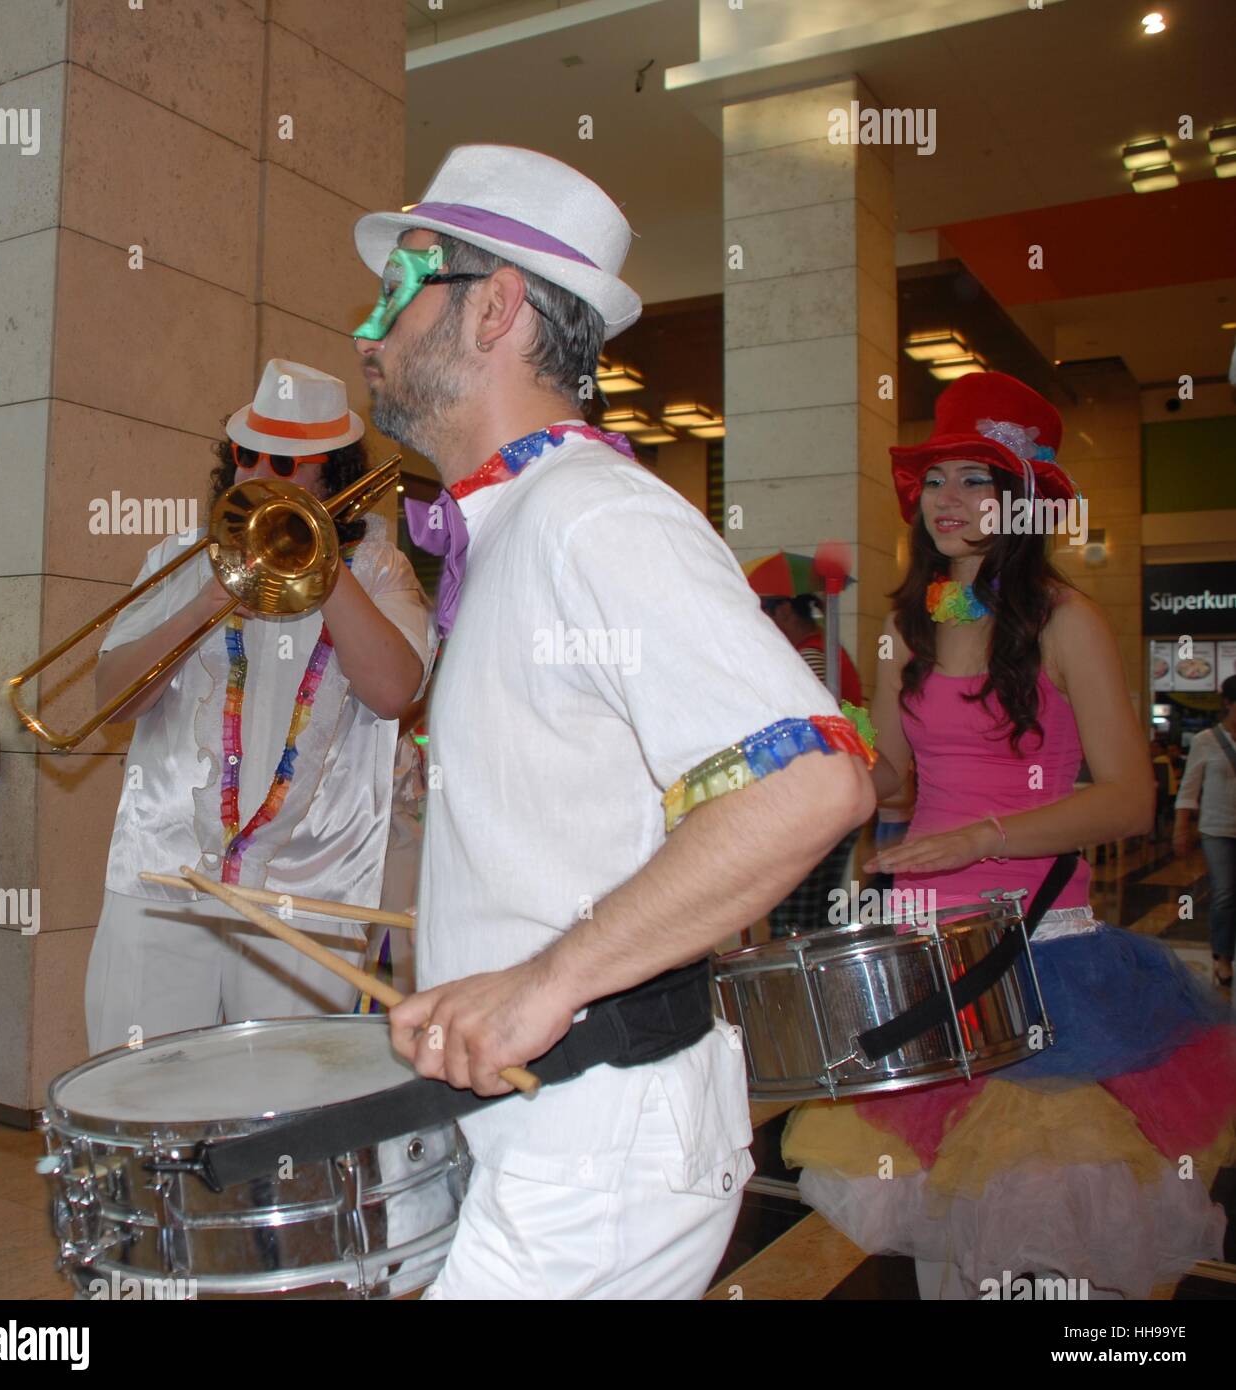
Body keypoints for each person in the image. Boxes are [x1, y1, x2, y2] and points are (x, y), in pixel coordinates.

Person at [351, 143, 874, 1299]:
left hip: (596, 1147)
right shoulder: (520, 525)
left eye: (397, 290)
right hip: (551, 1128)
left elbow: (812, 780)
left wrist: (542, 979)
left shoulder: (593, 517)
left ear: (491, 308)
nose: (365, 330)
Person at [781, 371, 1236, 1300]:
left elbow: (1125, 802)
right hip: (923, 957)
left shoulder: (1067, 622)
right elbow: (897, 782)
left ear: (1023, 498)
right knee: (945, 1245)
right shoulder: (904, 629)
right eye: (937, 479)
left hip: (1043, 959)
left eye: (977, 480)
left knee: (1044, 1251)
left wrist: (981, 837)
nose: (948, 502)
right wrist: (818, 756)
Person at [84, 361, 435, 1053]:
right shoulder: (180, 558)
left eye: (284, 460)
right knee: (144, 1091)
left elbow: (395, 690)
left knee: (287, 1108)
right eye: (247, 453)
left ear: (328, 477)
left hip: (312, 892)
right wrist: (211, 595)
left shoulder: (378, 571)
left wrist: (321, 560)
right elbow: (112, 700)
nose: (258, 471)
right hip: (163, 879)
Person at [759, 594, 865, 934]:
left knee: (793, 926)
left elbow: (809, 729)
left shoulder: (809, 656)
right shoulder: (827, 650)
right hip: (837, 790)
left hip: (817, 797)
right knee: (814, 924)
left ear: (785, 610)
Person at [1174, 674, 1236, 994]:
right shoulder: (1206, 741)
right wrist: (1181, 827)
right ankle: (1223, 957)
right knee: (1225, 892)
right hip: (1217, 828)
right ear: (1227, 704)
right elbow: (1189, 788)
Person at [762, 593, 863, 705]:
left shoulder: (810, 655)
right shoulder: (822, 647)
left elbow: (813, 709)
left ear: (784, 610)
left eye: (763, 610)